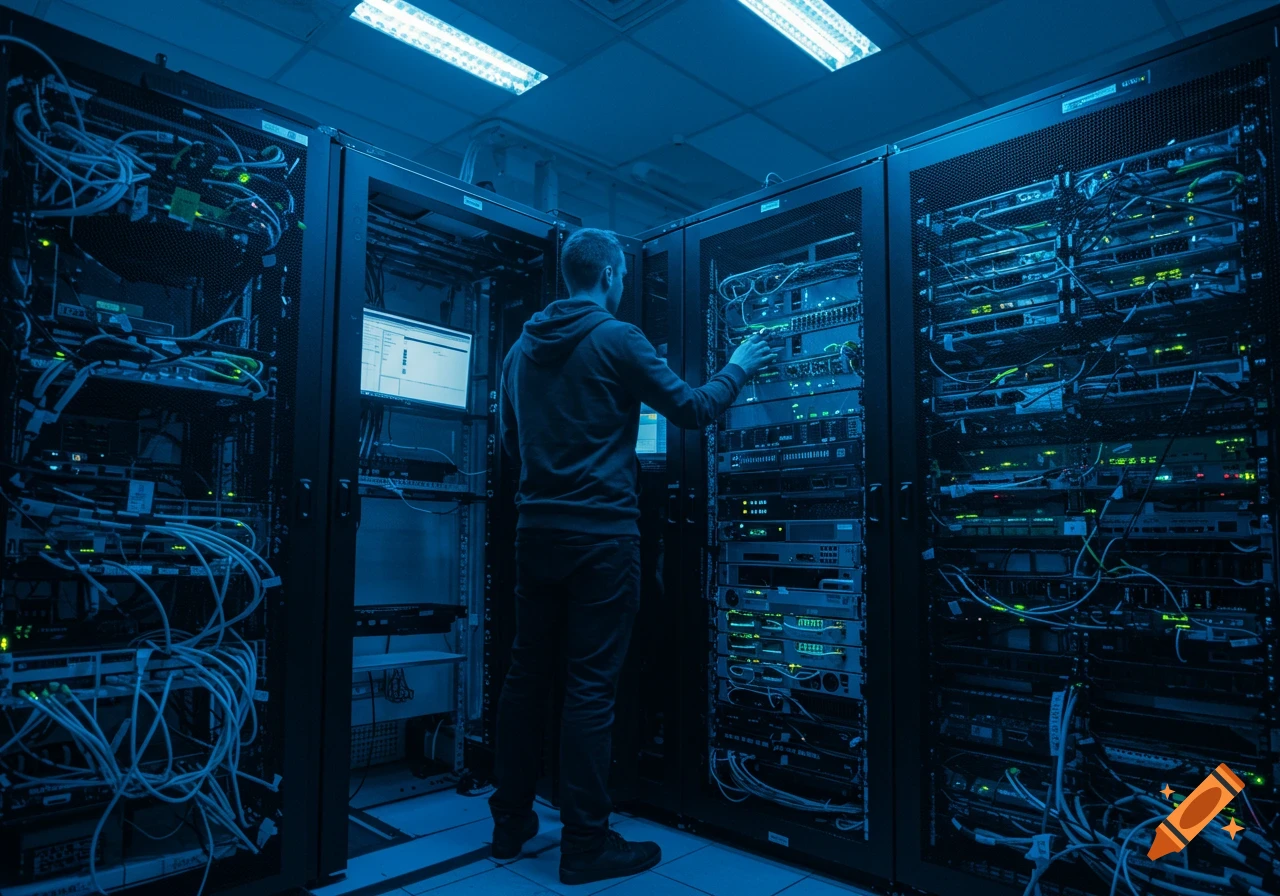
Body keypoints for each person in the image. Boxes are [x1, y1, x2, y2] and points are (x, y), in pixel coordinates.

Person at [490, 228, 776, 885]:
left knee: (525, 678)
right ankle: (586, 845)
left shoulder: (518, 351)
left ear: (568, 274)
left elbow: (510, 447)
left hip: (534, 535)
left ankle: (510, 824)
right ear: (613, 274)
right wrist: (743, 361)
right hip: (601, 539)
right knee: (590, 688)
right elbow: (695, 409)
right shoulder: (616, 337)